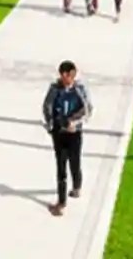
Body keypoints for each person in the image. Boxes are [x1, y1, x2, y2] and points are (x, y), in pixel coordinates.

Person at [42, 61, 93, 217]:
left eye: (68, 75)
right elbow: (47, 107)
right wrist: (51, 125)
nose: (65, 78)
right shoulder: (54, 89)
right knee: (61, 165)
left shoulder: (80, 89)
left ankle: (77, 186)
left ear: (73, 74)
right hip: (59, 133)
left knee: (75, 162)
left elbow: (87, 109)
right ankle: (61, 201)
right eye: (62, 75)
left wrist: (74, 122)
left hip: (74, 132)